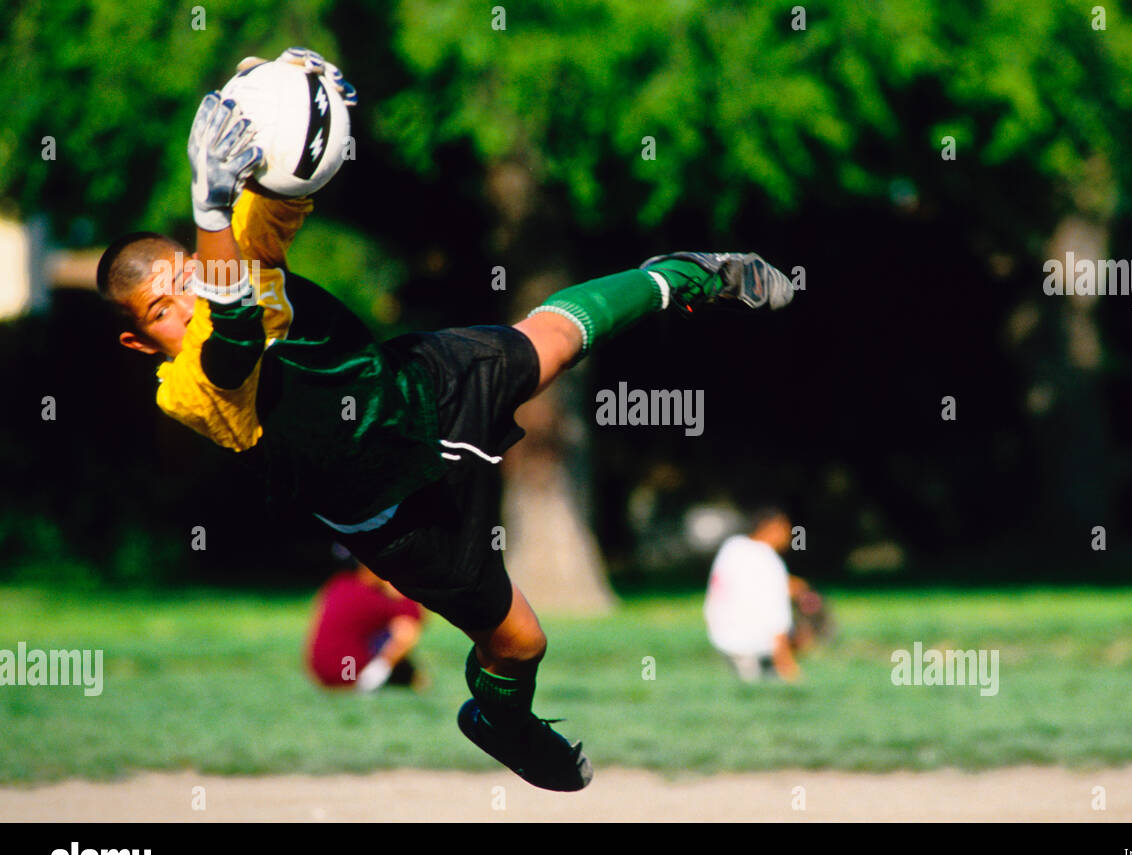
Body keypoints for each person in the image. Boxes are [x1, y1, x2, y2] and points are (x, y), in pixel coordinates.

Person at [95, 48, 797, 791]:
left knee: (550, 340)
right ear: (141, 339)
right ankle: (501, 719)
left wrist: (284, 91)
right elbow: (232, 340)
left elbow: (286, 178)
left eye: (186, 279)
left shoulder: (241, 255)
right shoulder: (187, 388)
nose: (187, 303)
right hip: (397, 518)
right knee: (522, 642)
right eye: (163, 309)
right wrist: (207, 206)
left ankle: (687, 272)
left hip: (419, 387)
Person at [703, 508, 812, 682]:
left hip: (720, 635)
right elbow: (776, 620)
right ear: (771, 526)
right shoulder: (769, 561)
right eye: (785, 529)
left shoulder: (733, 546)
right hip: (749, 642)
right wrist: (789, 669)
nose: (789, 536)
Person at [306, 560, 426, 691]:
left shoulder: (339, 584)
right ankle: (375, 678)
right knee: (396, 634)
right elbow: (408, 632)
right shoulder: (380, 598)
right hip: (349, 675)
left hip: (322, 674)